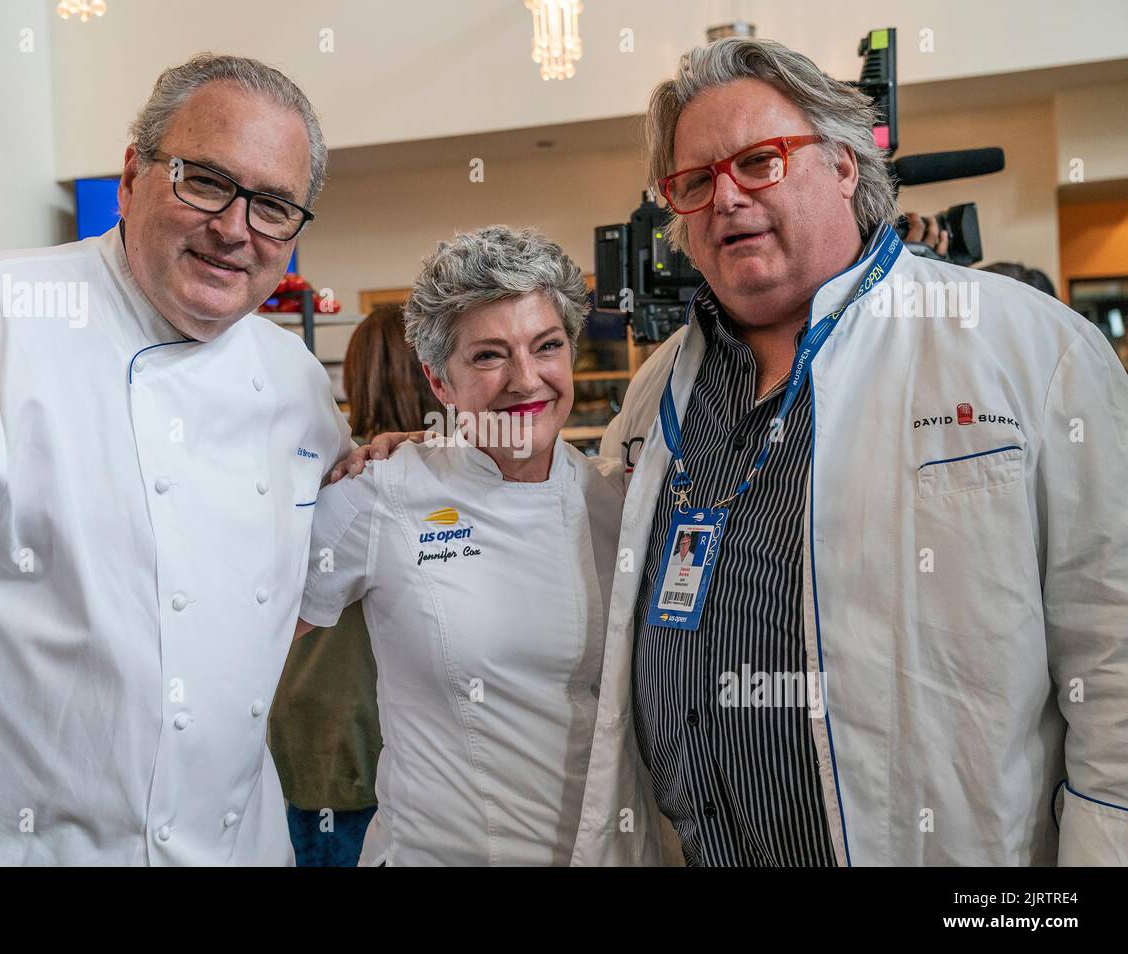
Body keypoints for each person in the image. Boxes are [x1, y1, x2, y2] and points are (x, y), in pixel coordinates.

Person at [572, 36, 1128, 866]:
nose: (725, 199)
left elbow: (1112, 655)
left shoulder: (1029, 349)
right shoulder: (659, 386)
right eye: (693, 183)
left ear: (841, 165)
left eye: (760, 161)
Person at [0, 54, 350, 866]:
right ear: (134, 175)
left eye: (275, 206)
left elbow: (309, 587)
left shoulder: (296, 384)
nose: (235, 227)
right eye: (205, 181)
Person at [296, 226, 674, 865]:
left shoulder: (620, 500)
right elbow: (244, 646)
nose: (526, 380)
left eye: (546, 346)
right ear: (439, 382)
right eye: (490, 356)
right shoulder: (381, 494)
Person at [269, 303, 441, 866]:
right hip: (363, 744)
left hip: (310, 730)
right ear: (433, 373)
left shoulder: (328, 471)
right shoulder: (381, 480)